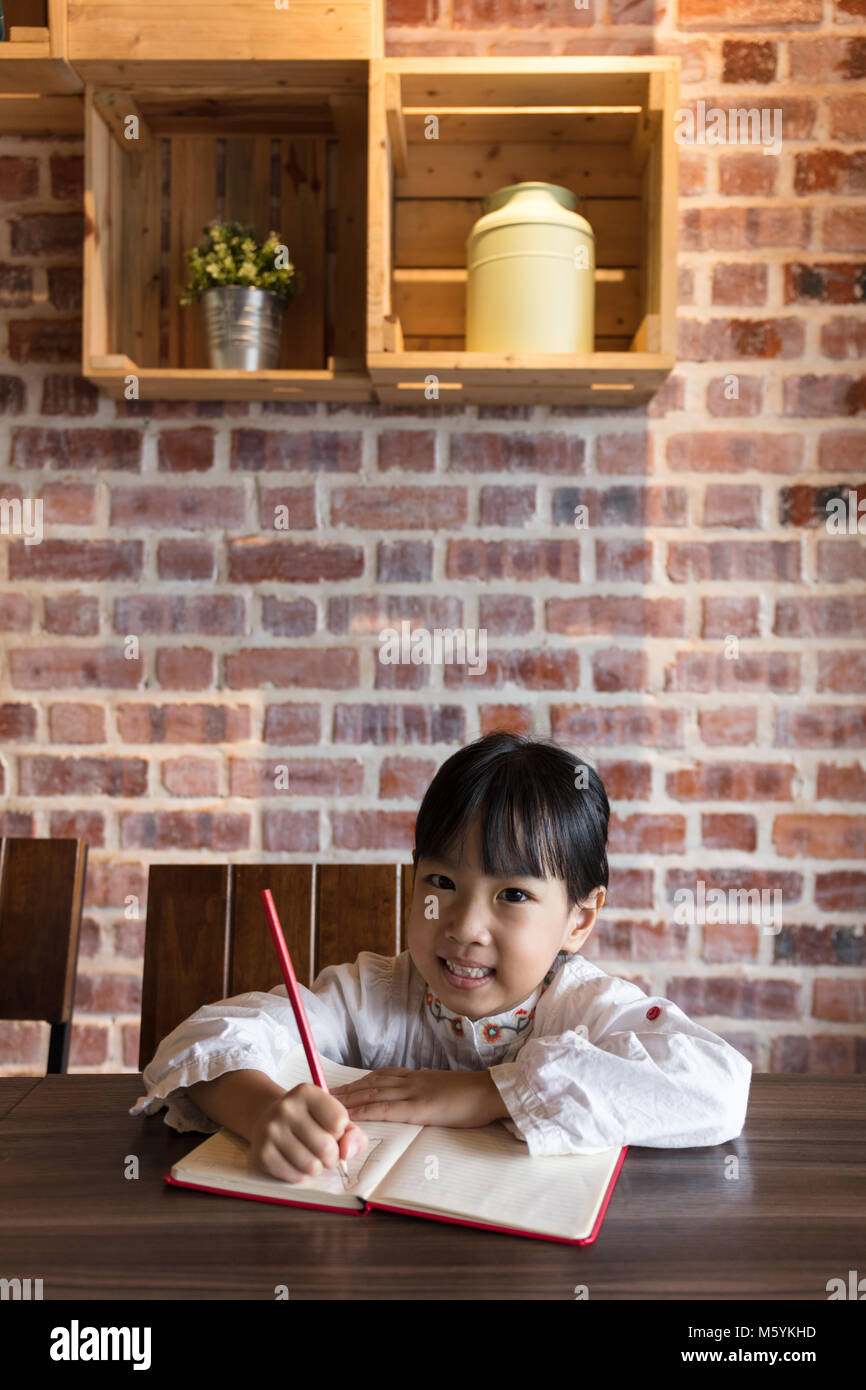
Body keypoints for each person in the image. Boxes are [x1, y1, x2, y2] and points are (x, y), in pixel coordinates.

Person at [131, 731, 752, 1184]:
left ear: (578, 920)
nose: (465, 927)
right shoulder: (373, 994)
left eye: (512, 894)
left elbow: (716, 1089)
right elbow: (204, 1038)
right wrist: (264, 1112)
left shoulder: (585, 1007)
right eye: (442, 884)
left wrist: (485, 1092)